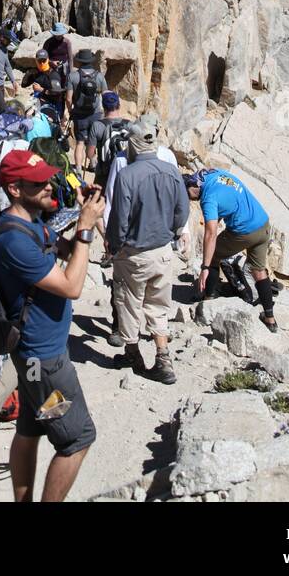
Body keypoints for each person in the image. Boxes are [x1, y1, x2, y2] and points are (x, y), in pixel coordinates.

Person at [0, 148, 103, 503]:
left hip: (34, 361)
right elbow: (72, 286)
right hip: (44, 362)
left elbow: (63, 251)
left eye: (47, 178)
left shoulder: (31, 223)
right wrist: (85, 229)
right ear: (13, 188)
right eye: (37, 183)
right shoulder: (13, 240)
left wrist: (79, 222)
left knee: (31, 427)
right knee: (78, 438)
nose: (47, 186)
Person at [106, 120, 189, 384]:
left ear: (132, 145)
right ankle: (163, 358)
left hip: (134, 251)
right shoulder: (172, 171)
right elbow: (182, 212)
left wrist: (114, 245)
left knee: (129, 302)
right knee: (159, 305)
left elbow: (119, 218)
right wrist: (174, 231)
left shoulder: (127, 175)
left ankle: (133, 354)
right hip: (163, 250)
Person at [184, 168, 279, 333]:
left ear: (192, 187)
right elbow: (226, 200)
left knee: (212, 254)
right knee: (259, 271)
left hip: (244, 231)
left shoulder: (207, 198)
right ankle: (270, 319)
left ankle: (209, 298)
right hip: (263, 224)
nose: (190, 200)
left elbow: (211, 233)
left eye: (188, 196)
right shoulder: (213, 174)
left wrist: (205, 267)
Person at [66, 48, 107, 172]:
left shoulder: (72, 76)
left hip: (79, 115)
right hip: (95, 114)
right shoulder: (99, 76)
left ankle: (78, 169)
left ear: (79, 61)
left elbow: (68, 98)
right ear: (91, 61)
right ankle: (93, 163)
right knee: (93, 141)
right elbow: (105, 95)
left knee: (80, 142)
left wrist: (70, 111)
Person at [21, 48, 68, 117]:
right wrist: (28, 74)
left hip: (53, 104)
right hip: (39, 101)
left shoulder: (53, 74)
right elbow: (24, 85)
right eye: (39, 61)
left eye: (44, 60)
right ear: (36, 61)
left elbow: (57, 93)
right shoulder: (36, 72)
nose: (42, 63)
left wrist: (41, 89)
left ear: (48, 59)